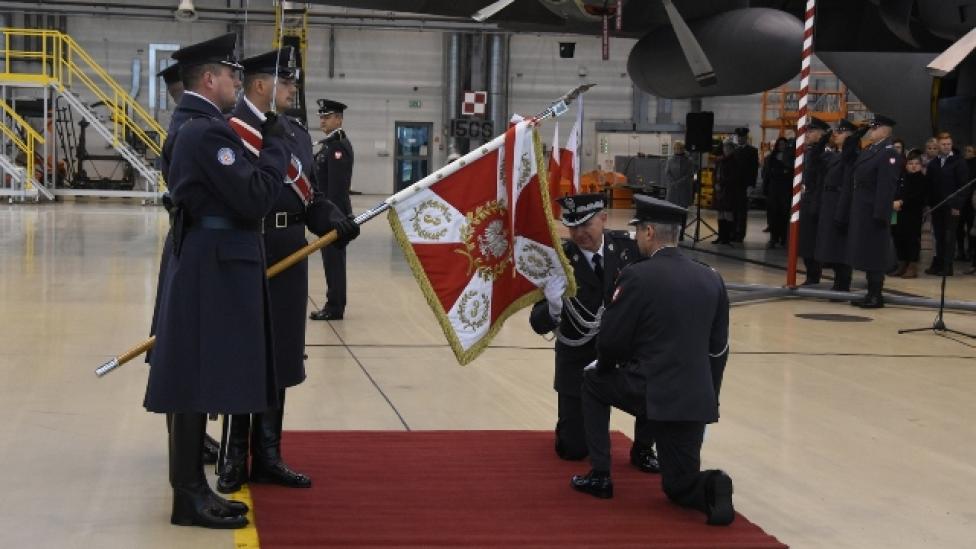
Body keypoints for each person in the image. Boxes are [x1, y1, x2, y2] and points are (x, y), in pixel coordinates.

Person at [143, 33, 289, 529]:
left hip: (208, 258)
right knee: (193, 379)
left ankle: (193, 490)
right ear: (210, 79)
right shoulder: (207, 132)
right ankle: (188, 496)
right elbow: (255, 199)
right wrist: (275, 149)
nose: (237, 83)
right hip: (214, 262)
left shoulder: (197, 125)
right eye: (231, 75)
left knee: (196, 376)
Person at [216, 48, 360, 494]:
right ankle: (235, 455)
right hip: (246, 247)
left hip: (288, 250)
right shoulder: (229, 129)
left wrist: (333, 218)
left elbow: (310, 195)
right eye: (286, 83)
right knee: (244, 354)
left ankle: (269, 455)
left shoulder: (294, 134)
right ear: (260, 84)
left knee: (279, 354)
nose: (293, 91)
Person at [570, 194, 733, 526]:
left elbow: (612, 342)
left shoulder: (638, 277)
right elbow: (718, 349)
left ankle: (600, 475)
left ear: (648, 233)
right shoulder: (712, 277)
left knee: (592, 383)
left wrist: (602, 367)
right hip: (692, 399)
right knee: (677, 485)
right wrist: (707, 397)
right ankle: (710, 484)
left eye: (638, 231)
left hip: (652, 391)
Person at [530, 193, 658, 472]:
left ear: (603, 219)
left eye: (586, 225)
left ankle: (644, 447)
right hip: (578, 361)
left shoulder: (629, 250)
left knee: (656, 381)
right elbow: (537, 323)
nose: (579, 233)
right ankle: (573, 423)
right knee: (573, 449)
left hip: (624, 356)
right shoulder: (558, 261)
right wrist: (552, 307)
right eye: (572, 226)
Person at [149, 60, 222, 466]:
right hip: (188, 241)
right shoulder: (189, 128)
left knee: (180, 351)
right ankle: (184, 444)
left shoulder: (183, 125)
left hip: (182, 240)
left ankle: (191, 439)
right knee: (180, 354)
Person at [846, 115, 903, 308]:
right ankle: (870, 292)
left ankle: (875, 295)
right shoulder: (871, 149)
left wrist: (880, 213)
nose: (871, 130)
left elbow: (886, 186)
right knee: (865, 251)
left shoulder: (889, 153)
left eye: (874, 127)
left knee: (875, 253)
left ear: (885, 130)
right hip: (862, 207)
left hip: (874, 210)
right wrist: (858, 132)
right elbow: (849, 153)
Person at [310, 98, 355, 321]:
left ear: (339, 119)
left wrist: (332, 217)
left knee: (334, 262)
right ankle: (333, 302)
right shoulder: (328, 144)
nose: (323, 120)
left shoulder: (337, 146)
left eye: (327, 117)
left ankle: (335, 307)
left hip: (334, 215)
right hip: (329, 214)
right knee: (331, 261)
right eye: (321, 116)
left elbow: (337, 189)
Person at [814, 119, 860, 293]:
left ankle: (842, 283)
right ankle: (838, 281)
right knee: (830, 246)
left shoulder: (851, 155)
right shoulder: (835, 155)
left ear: (849, 136)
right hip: (829, 203)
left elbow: (848, 185)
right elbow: (816, 156)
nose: (836, 135)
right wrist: (824, 138)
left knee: (840, 248)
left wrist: (842, 211)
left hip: (840, 203)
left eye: (840, 133)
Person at [924, 132, 969, 276]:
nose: (946, 146)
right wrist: (929, 204)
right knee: (939, 235)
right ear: (938, 145)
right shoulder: (933, 163)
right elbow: (929, 186)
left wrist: (957, 205)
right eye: (943, 144)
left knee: (949, 236)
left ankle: (947, 266)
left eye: (949, 144)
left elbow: (964, 186)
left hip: (952, 207)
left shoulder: (958, 161)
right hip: (937, 206)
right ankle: (938, 265)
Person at [798, 117, 831, 285]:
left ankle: (813, 275)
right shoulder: (807, 151)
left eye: (811, 131)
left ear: (822, 134)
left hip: (817, 201)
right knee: (804, 240)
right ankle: (810, 273)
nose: (807, 134)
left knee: (812, 241)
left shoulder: (825, 153)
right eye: (808, 131)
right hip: (806, 199)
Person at [891, 151, 927, 278]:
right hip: (899, 212)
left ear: (921, 166)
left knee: (912, 239)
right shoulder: (903, 177)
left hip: (913, 213)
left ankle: (912, 266)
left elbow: (917, 196)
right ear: (906, 165)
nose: (914, 166)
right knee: (899, 237)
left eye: (917, 164)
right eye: (911, 163)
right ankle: (902, 264)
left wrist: (901, 201)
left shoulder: (921, 179)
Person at [762, 137, 792, 248]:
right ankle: (773, 238)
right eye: (780, 144)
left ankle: (784, 238)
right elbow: (766, 175)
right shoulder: (770, 158)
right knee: (773, 215)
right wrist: (765, 190)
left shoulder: (791, 159)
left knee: (784, 215)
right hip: (773, 191)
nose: (782, 146)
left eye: (784, 144)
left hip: (785, 191)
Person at [731, 127, 759, 242]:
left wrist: (751, 185)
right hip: (733, 185)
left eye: (742, 137)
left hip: (744, 186)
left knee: (742, 212)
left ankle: (740, 234)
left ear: (746, 138)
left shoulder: (752, 151)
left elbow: (754, 169)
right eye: (738, 137)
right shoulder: (734, 150)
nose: (740, 139)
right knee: (733, 211)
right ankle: (732, 233)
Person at [663, 140, 695, 239]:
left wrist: (679, 182)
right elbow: (667, 172)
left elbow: (689, 174)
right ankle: (672, 233)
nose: (678, 150)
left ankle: (681, 234)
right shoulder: (670, 160)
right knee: (672, 213)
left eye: (680, 148)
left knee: (682, 213)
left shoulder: (689, 161)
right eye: (676, 148)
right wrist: (673, 182)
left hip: (684, 190)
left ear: (683, 149)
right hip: (673, 190)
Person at [712, 141, 738, 245]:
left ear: (732, 150)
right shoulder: (719, 160)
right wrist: (715, 183)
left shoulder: (734, 161)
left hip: (728, 190)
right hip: (719, 190)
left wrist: (721, 184)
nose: (725, 150)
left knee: (728, 213)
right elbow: (715, 174)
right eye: (724, 148)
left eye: (728, 149)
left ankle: (727, 237)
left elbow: (733, 177)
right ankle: (721, 236)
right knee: (720, 213)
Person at [956, 144, 976, 262]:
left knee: (971, 228)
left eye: (970, 151)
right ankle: (961, 250)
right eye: (965, 150)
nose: (967, 152)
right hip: (961, 200)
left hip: (971, 201)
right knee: (959, 227)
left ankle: (971, 251)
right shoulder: (961, 164)